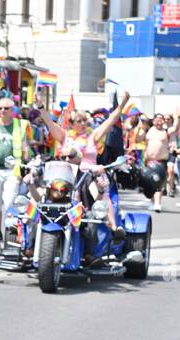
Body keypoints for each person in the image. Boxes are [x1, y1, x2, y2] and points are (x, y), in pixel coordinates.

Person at [43, 91, 131, 234]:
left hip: (89, 174)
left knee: (101, 193)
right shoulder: (64, 136)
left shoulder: (92, 136)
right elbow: (48, 122)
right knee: (43, 192)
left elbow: (111, 121)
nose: (83, 123)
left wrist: (122, 104)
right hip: (67, 176)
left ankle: (113, 227)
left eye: (85, 120)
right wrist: (41, 106)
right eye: (79, 121)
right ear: (71, 124)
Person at [0, 97, 33, 242]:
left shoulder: (20, 125)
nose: (2, 111)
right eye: (0, 108)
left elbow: (25, 145)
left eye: (6, 108)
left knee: (10, 200)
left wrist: (26, 158)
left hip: (13, 170)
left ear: (13, 110)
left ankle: (11, 230)